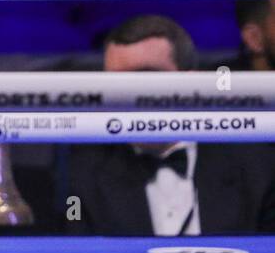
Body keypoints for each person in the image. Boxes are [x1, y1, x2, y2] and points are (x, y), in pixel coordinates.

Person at [66, 15, 275, 235]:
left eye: (145, 77)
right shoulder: (83, 177)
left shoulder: (258, 167)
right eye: (116, 83)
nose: (127, 96)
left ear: (190, 85)